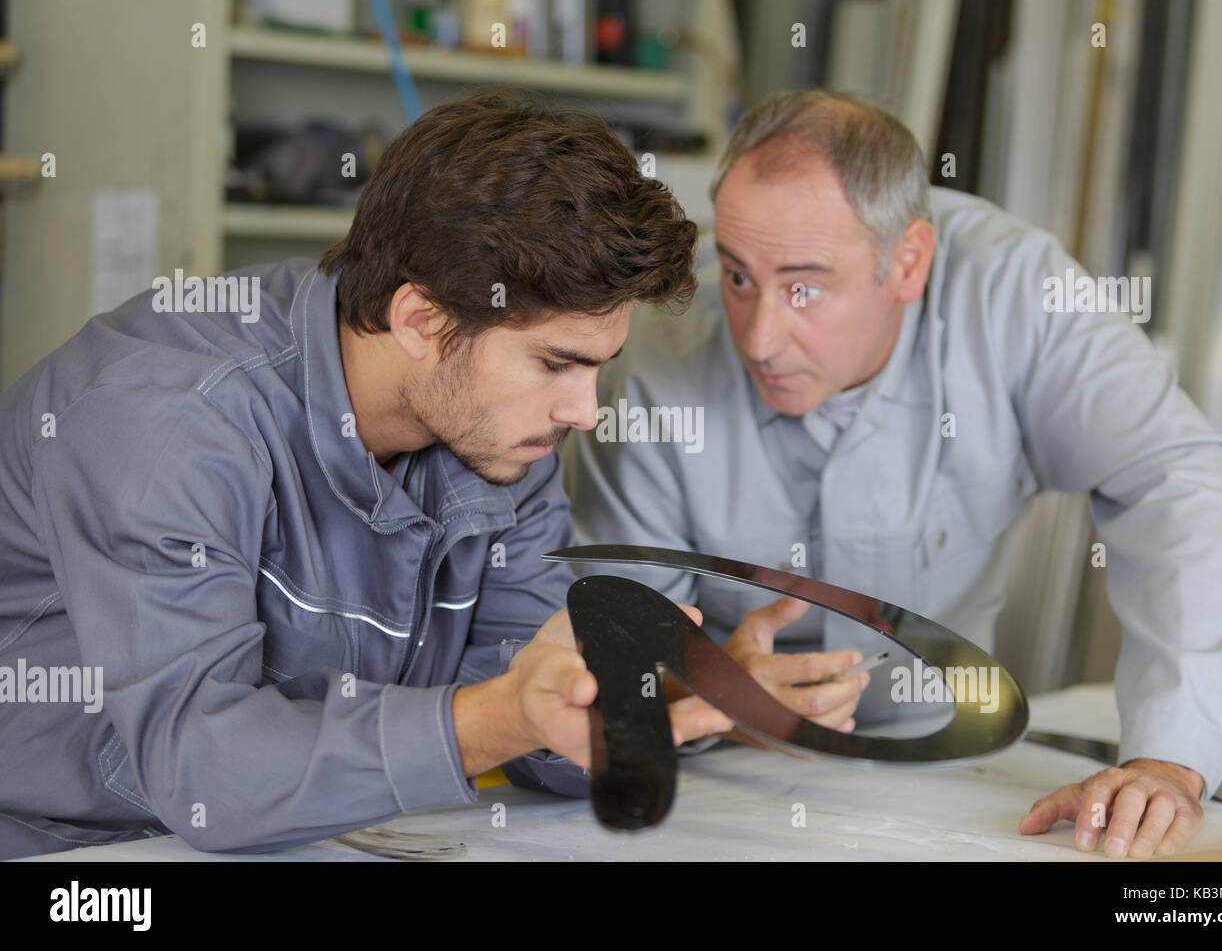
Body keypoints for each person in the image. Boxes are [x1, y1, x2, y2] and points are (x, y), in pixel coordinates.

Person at [0, 90, 732, 860]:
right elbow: (207, 773)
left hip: (302, 838)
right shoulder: (169, 421)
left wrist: (614, 701)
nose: (583, 411)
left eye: (596, 370)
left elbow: (524, 697)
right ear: (420, 320)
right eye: (556, 363)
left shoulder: (499, 431)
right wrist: (497, 718)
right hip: (57, 849)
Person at [565, 89, 1222, 858]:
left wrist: (1168, 759)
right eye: (737, 277)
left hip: (953, 764)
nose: (760, 337)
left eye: (804, 287)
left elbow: (1183, 480)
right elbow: (613, 657)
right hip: (718, 774)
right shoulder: (651, 359)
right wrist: (709, 690)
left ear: (908, 263)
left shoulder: (1014, 296)